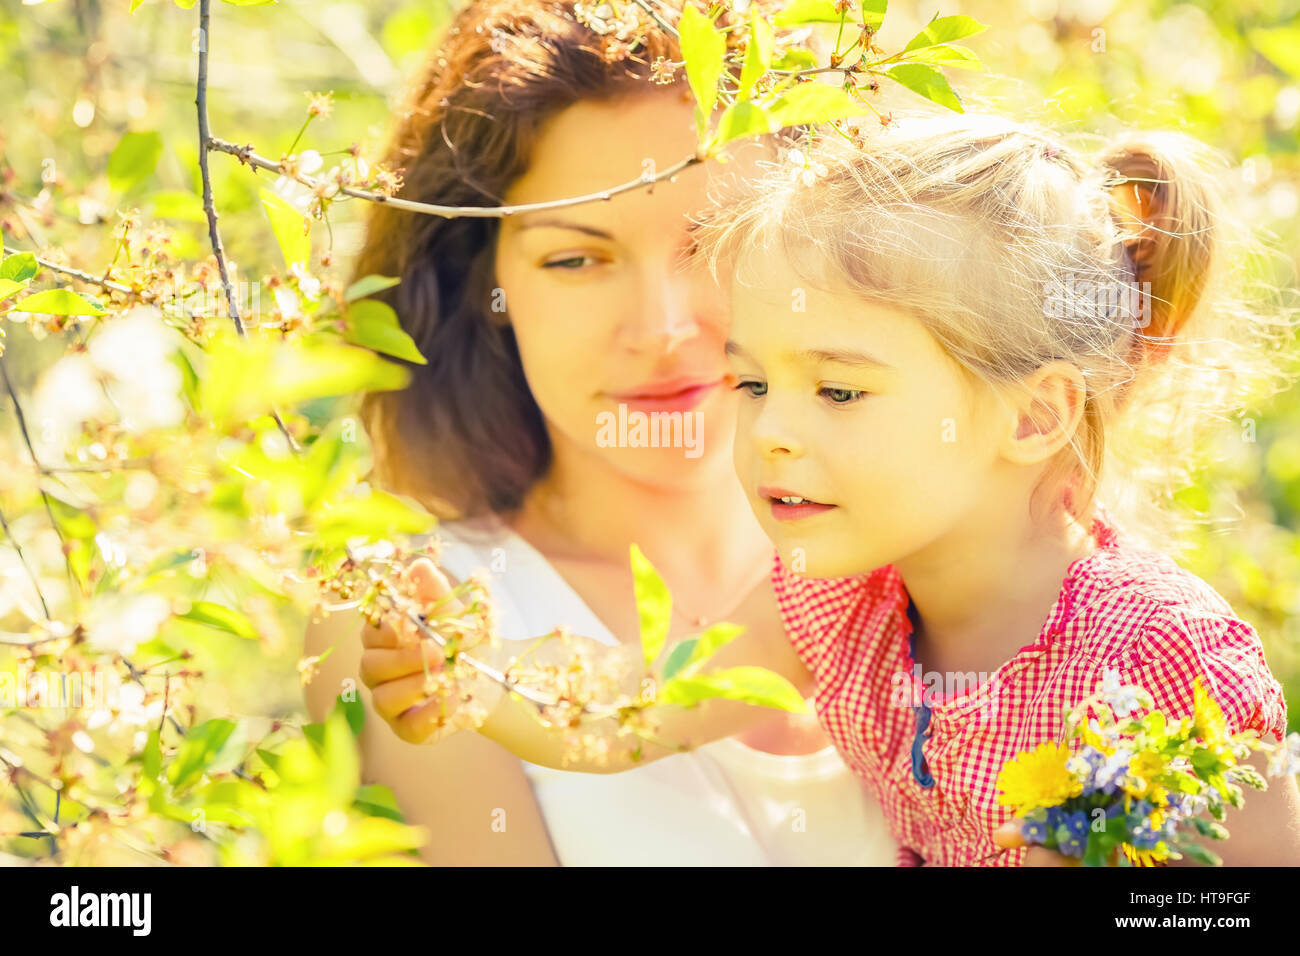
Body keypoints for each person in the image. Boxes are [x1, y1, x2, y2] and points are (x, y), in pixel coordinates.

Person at [364, 109, 1300, 866]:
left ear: (1032, 417)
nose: (770, 433)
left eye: (839, 391)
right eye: (754, 384)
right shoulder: (833, 600)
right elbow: (635, 709)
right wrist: (476, 674)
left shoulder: (1155, 654)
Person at [304, 0, 897, 866]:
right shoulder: (421, 628)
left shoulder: (920, 539)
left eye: (717, 239)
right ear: (486, 284)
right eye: (576, 259)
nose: (659, 326)